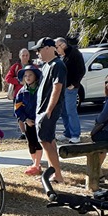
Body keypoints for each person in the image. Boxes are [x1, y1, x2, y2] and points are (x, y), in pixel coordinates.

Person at [34, 37, 66, 183]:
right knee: (49, 141)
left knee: (45, 141)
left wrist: (49, 110)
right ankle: (53, 173)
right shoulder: (46, 65)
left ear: (47, 48)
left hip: (48, 110)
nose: (37, 53)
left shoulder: (58, 65)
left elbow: (57, 88)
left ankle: (57, 175)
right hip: (42, 109)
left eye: (39, 50)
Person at [13, 66, 43, 176]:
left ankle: (37, 164)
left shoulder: (40, 90)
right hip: (28, 122)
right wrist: (25, 119)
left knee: (39, 143)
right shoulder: (21, 92)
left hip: (39, 121)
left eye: (30, 75)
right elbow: (17, 109)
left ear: (35, 76)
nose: (28, 77)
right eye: (25, 76)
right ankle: (35, 163)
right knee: (31, 143)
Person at [57, 37, 85, 144]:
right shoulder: (64, 56)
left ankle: (75, 135)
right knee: (63, 111)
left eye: (57, 47)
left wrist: (74, 84)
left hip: (71, 88)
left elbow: (82, 70)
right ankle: (68, 133)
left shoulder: (75, 53)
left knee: (71, 111)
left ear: (63, 45)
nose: (56, 50)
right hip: (63, 87)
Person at [4, 50, 31, 139]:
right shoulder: (16, 67)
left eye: (27, 55)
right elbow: (7, 78)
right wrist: (19, 81)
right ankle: (23, 133)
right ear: (20, 56)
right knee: (19, 113)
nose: (25, 57)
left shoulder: (33, 67)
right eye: (23, 55)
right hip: (18, 95)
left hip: (31, 95)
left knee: (30, 114)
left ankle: (30, 131)